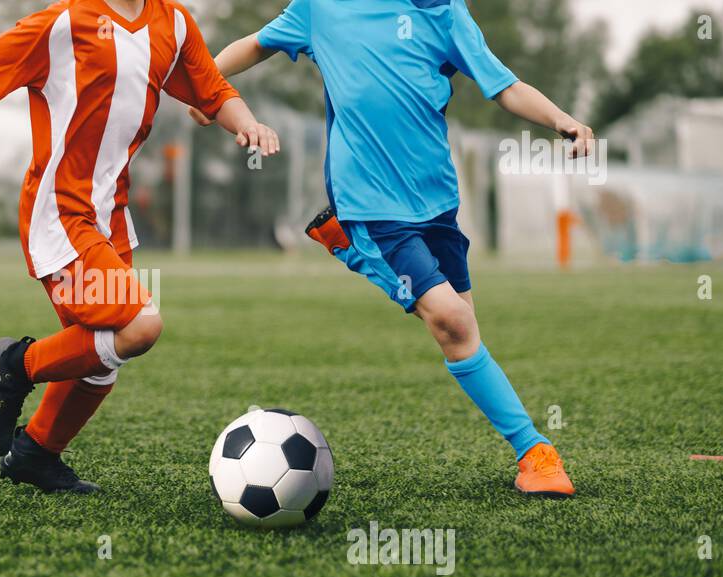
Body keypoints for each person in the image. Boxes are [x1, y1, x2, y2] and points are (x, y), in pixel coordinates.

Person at [195, 0, 594, 496]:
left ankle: (346, 243)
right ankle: (535, 452)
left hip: (437, 201)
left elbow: (504, 85)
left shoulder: (445, 12)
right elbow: (257, 44)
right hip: (371, 202)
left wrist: (562, 120)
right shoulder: (323, 7)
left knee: (462, 329)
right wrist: (206, 87)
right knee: (452, 320)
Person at [0, 0, 280, 493]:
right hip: (60, 214)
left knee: (99, 357)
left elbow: (213, 90)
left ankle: (35, 455)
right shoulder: (65, 21)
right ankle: (12, 365)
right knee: (138, 326)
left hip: (111, 218)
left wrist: (246, 122)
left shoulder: (173, 22)